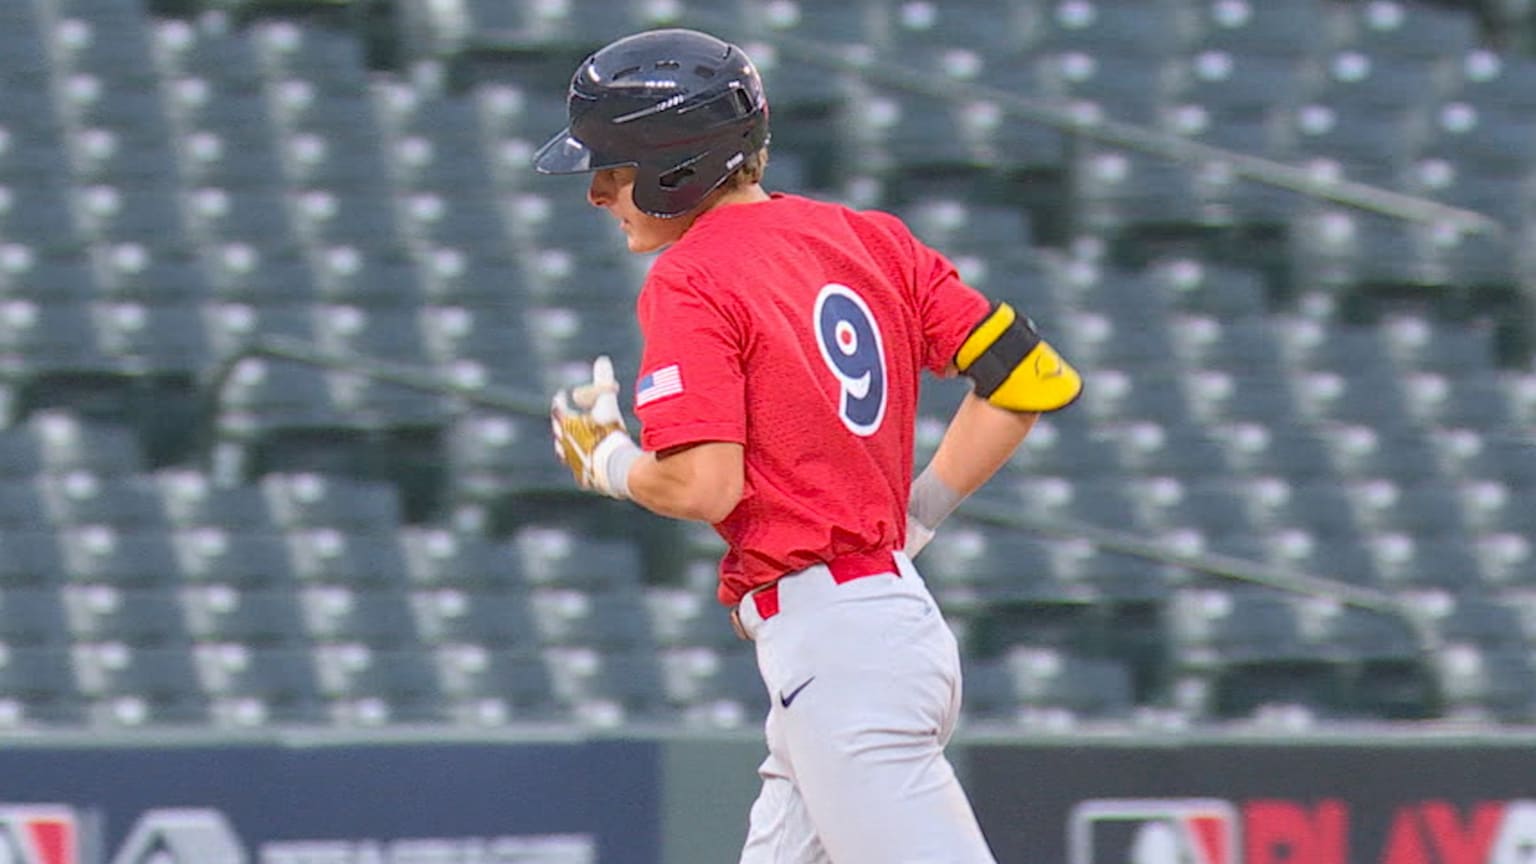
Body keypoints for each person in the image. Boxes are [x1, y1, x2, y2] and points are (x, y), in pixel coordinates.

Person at [537, 28, 1081, 864]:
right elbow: (1028, 380)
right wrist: (912, 522)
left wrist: (605, 458)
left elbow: (702, 486)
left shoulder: (692, 277)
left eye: (610, 166)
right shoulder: (872, 238)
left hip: (842, 651)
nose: (597, 193)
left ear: (671, 164)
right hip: (871, 628)